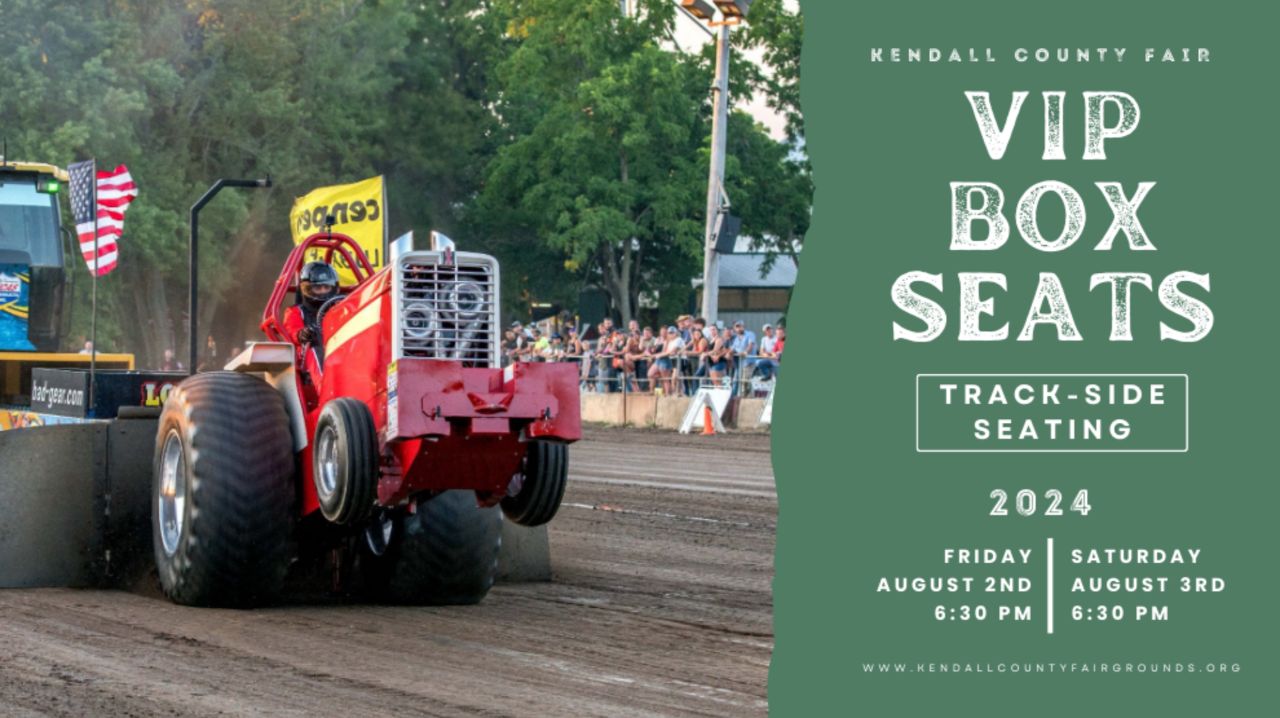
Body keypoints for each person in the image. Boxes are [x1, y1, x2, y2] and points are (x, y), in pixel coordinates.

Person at [283, 261, 340, 376]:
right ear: (307, 289)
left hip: (336, 349)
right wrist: (302, 334)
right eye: (318, 288)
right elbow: (292, 331)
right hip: (306, 353)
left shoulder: (339, 308)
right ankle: (325, 384)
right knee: (313, 343)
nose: (323, 291)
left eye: (327, 287)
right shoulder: (295, 312)